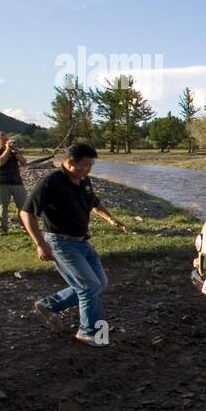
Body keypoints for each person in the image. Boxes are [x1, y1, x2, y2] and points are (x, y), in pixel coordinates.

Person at [20, 142, 128, 347]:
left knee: (99, 284)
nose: (88, 170)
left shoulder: (83, 180)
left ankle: (47, 306)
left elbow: (94, 202)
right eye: (85, 165)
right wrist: (40, 244)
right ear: (70, 162)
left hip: (82, 242)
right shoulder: (50, 182)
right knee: (89, 286)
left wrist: (111, 219)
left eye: (91, 165)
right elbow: (26, 213)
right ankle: (88, 332)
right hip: (60, 242)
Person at [0, 131, 28, 234]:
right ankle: (2, 229)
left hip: (16, 181)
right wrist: (7, 149)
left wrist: (15, 150)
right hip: (2, 181)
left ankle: (26, 226)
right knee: (2, 206)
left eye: (7, 138)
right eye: (3, 139)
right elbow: (0, 162)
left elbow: (24, 162)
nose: (6, 140)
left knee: (23, 205)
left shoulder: (13, 151)